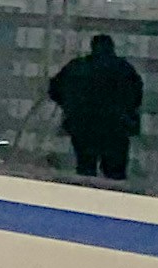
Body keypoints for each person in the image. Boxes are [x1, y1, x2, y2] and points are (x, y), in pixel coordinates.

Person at [48, 33, 145, 181]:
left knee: (86, 170)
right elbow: (136, 96)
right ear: (112, 48)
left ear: (92, 47)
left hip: (84, 127)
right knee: (115, 175)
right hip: (116, 128)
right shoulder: (124, 69)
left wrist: (71, 109)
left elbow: (55, 89)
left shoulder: (78, 67)